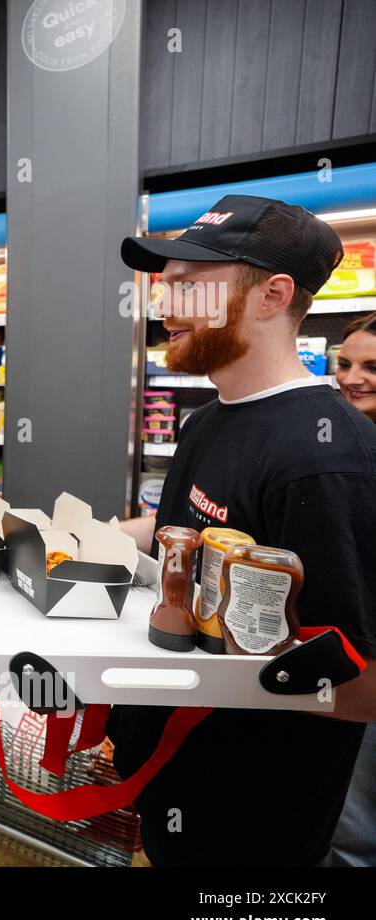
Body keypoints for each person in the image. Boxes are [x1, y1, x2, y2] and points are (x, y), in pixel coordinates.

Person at [113, 195, 376, 866]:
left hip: (256, 822)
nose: (161, 305)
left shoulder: (327, 459)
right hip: (174, 785)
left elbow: (363, 690)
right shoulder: (208, 419)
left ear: (273, 295)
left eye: (187, 285)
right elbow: (185, 535)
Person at [325, 310, 376, 867]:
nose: (351, 377)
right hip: (350, 655)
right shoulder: (339, 442)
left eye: (371, 367)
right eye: (345, 363)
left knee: (354, 826)